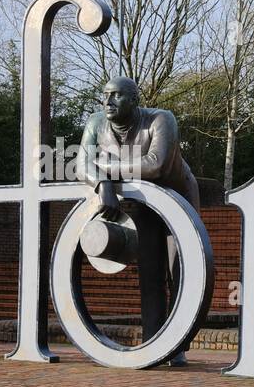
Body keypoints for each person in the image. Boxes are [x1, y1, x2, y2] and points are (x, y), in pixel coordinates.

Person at [77, 76, 200, 365]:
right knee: (150, 273)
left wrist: (106, 169)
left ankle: (179, 342)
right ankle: (154, 343)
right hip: (142, 204)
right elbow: (82, 163)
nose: (108, 102)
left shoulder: (161, 119)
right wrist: (101, 184)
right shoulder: (96, 123)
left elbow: (156, 164)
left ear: (134, 100)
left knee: (178, 269)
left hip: (177, 197)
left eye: (117, 95)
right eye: (105, 95)